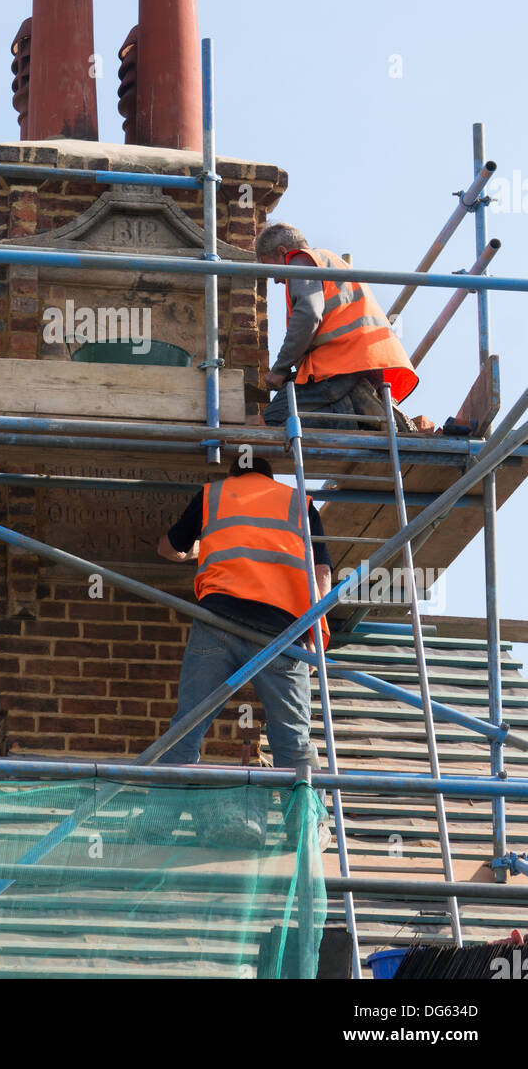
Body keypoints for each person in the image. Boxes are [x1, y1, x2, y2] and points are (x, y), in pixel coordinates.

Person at [152, 455, 332, 847]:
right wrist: (316, 636)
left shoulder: (213, 495)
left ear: (234, 473)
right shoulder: (299, 502)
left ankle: (155, 827)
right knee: (292, 739)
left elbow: (167, 547)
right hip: (283, 631)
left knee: (186, 729)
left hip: (219, 620)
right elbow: (321, 575)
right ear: (270, 475)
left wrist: (197, 550)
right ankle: (304, 834)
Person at [254, 222, 418, 431]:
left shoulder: (299, 260)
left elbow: (307, 315)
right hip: (359, 363)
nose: (276, 280)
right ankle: (362, 412)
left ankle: (356, 408)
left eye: (271, 269)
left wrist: (279, 370)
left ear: (282, 252)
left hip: (338, 365)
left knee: (273, 422)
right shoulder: (330, 261)